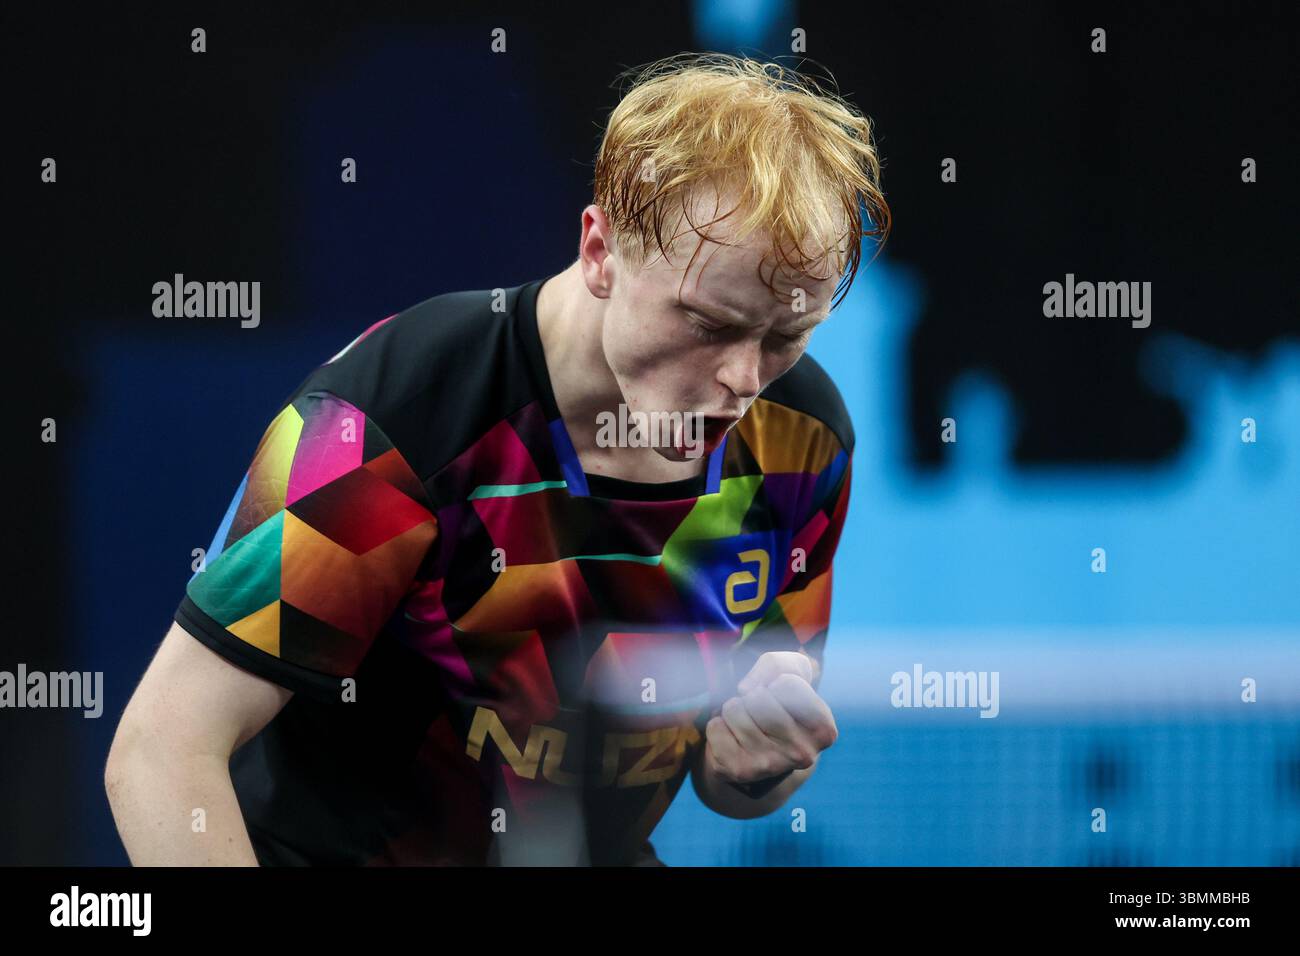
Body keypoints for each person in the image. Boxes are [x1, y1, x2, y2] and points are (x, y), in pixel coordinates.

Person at [104, 51, 890, 866]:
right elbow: (162, 751)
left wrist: (753, 767)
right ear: (600, 250)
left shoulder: (802, 440)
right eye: (708, 324)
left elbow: (730, 782)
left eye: (785, 337)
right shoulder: (395, 422)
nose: (743, 380)